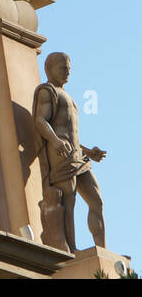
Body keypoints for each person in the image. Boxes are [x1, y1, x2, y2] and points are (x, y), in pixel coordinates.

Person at [32, 52, 106, 251]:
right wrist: (55, 141)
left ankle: (102, 249)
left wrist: (89, 151)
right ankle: (71, 249)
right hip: (60, 155)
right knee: (68, 202)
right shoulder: (47, 92)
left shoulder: (70, 97)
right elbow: (40, 120)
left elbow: (72, 134)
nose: (67, 73)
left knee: (96, 200)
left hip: (77, 156)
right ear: (49, 69)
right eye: (62, 69)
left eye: (69, 69)